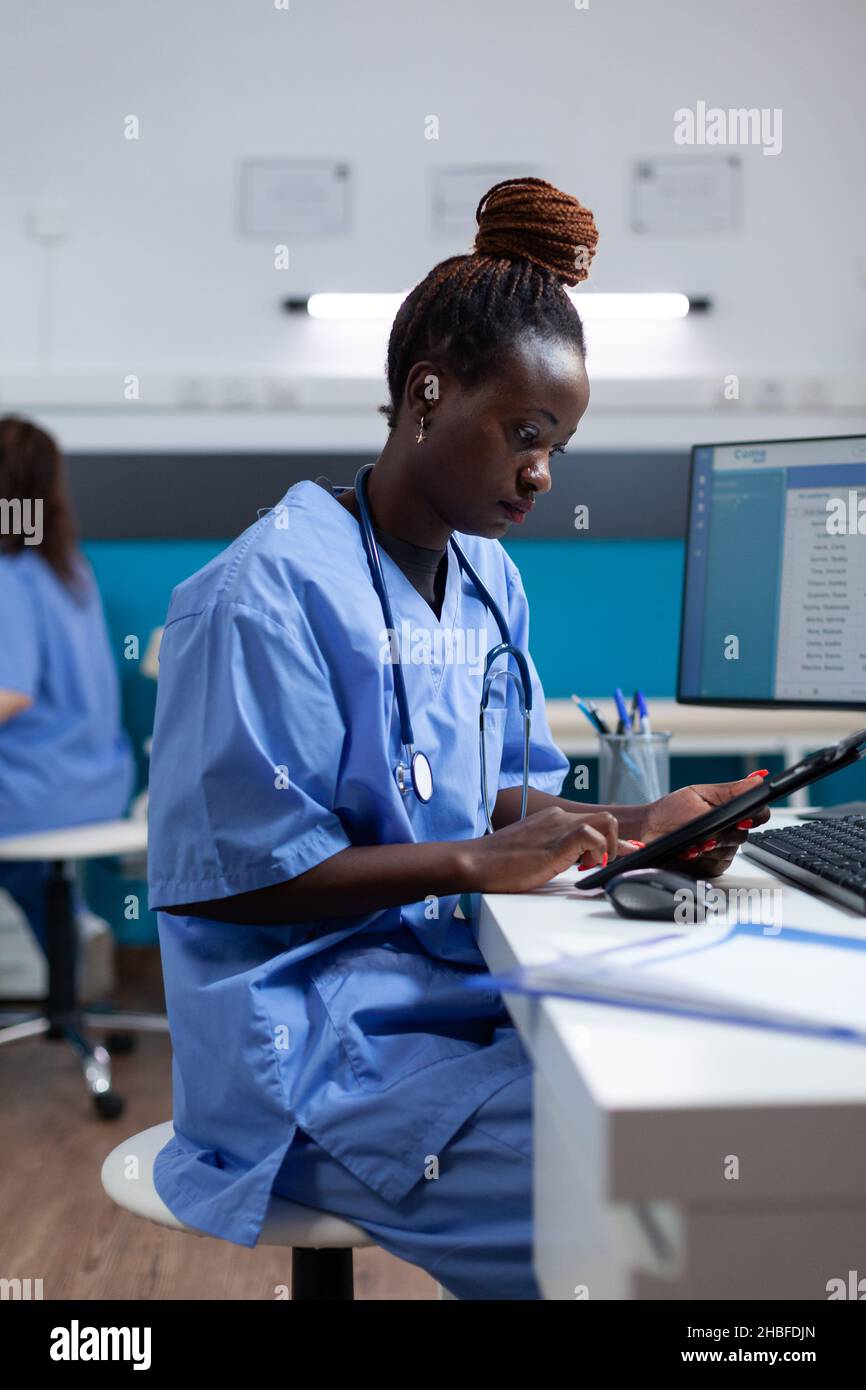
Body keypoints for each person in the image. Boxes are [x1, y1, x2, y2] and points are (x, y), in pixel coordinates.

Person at [146, 177, 769, 1299]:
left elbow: (489, 795)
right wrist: (478, 865)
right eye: (524, 434)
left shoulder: (488, 581)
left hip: (448, 992)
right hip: (307, 1043)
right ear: (425, 396)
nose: (540, 472)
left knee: (698, 1126)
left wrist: (636, 826)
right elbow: (225, 881)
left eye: (559, 446)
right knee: (645, 1225)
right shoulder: (264, 593)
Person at [0, 416, 135, 951]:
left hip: (37, 796)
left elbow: (13, 693)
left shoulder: (8, 575)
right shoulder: (71, 570)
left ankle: (67, 941)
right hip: (100, 785)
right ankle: (72, 931)